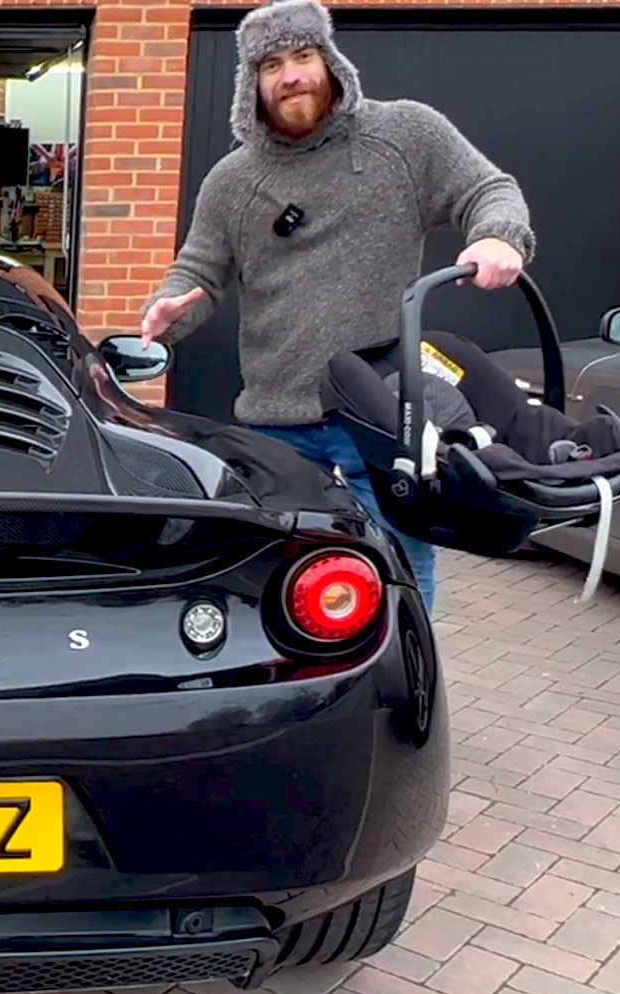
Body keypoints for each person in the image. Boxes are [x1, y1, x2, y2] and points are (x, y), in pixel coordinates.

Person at [139, 0, 536, 613]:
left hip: (378, 418)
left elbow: (489, 189)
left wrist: (498, 236)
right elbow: (197, 272)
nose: (291, 75)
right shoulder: (232, 181)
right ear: (252, 84)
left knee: (398, 565)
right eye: (272, 65)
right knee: (272, 574)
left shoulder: (406, 135)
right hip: (274, 425)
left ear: (330, 61)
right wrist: (170, 310)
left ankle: (404, 671)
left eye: (303, 56)